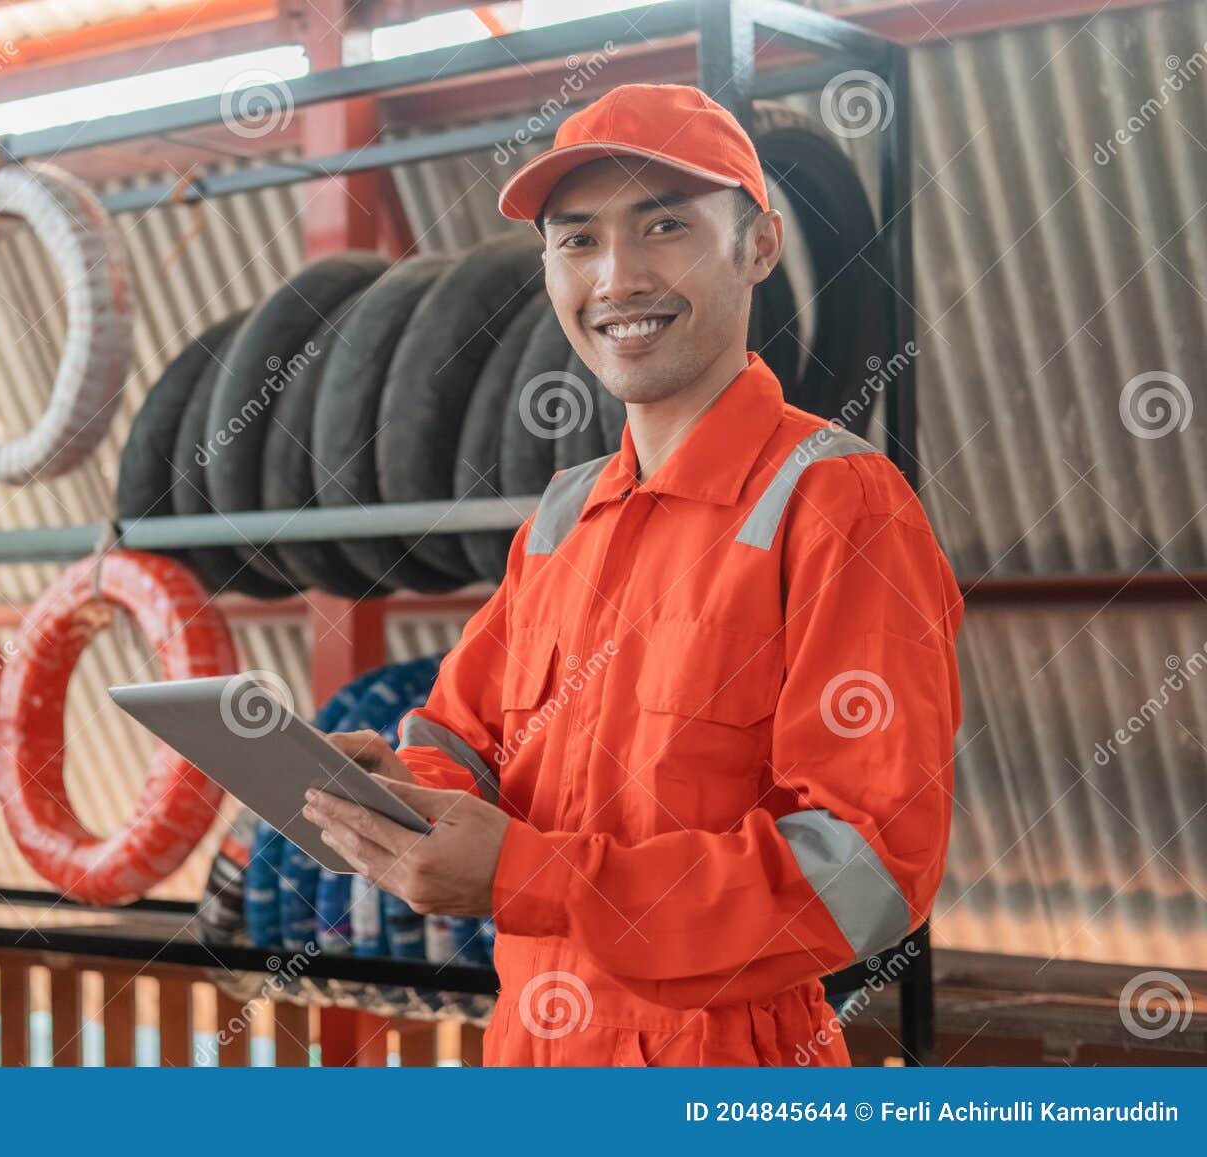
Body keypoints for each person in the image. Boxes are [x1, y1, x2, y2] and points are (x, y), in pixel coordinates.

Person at [303, 82, 964, 1067]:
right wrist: (403, 797)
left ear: (758, 247)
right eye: (577, 240)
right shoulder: (566, 514)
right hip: (530, 1048)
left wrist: (537, 875)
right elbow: (464, 734)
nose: (615, 277)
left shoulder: (838, 505)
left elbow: (867, 867)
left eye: (663, 227)